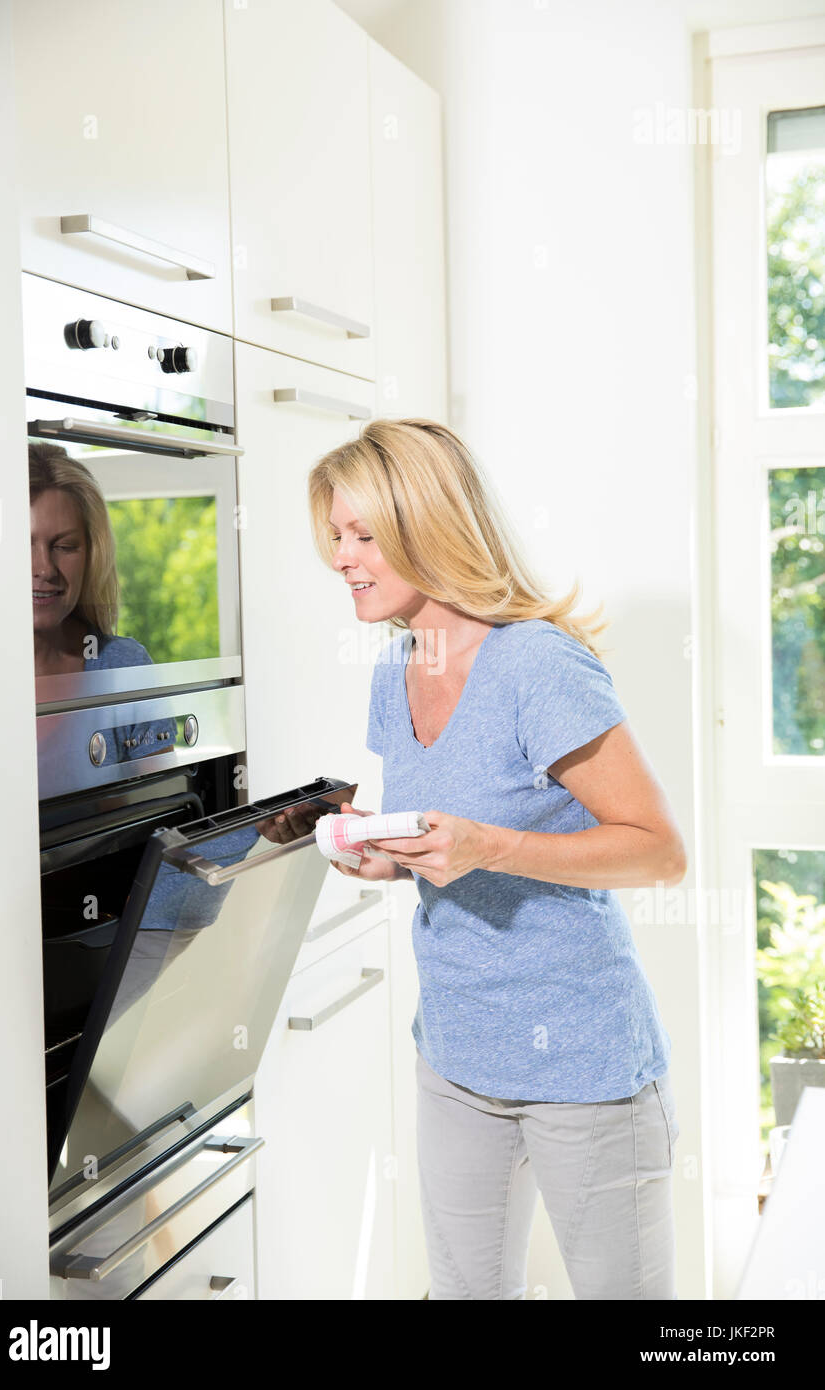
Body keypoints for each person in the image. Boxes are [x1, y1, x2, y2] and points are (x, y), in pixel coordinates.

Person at [307, 418, 685, 1301]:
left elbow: (659, 851)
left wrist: (492, 848)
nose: (342, 558)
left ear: (426, 528)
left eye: (363, 534)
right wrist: (388, 857)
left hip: (585, 1068)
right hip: (457, 1057)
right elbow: (453, 842)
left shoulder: (537, 666)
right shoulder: (392, 669)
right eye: (335, 536)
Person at [29, 441, 173, 760]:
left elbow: (168, 803)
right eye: (23, 544)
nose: (44, 569)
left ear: (92, 556)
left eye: (65, 547)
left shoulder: (123, 666)